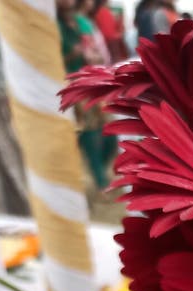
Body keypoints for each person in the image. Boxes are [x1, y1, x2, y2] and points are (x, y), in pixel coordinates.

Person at [57, 0, 117, 193]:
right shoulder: (53, 25)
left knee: (110, 134)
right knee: (90, 133)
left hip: (93, 82)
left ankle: (99, 172)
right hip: (70, 87)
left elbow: (98, 53)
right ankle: (100, 180)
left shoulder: (83, 22)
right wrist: (73, 55)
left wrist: (94, 56)